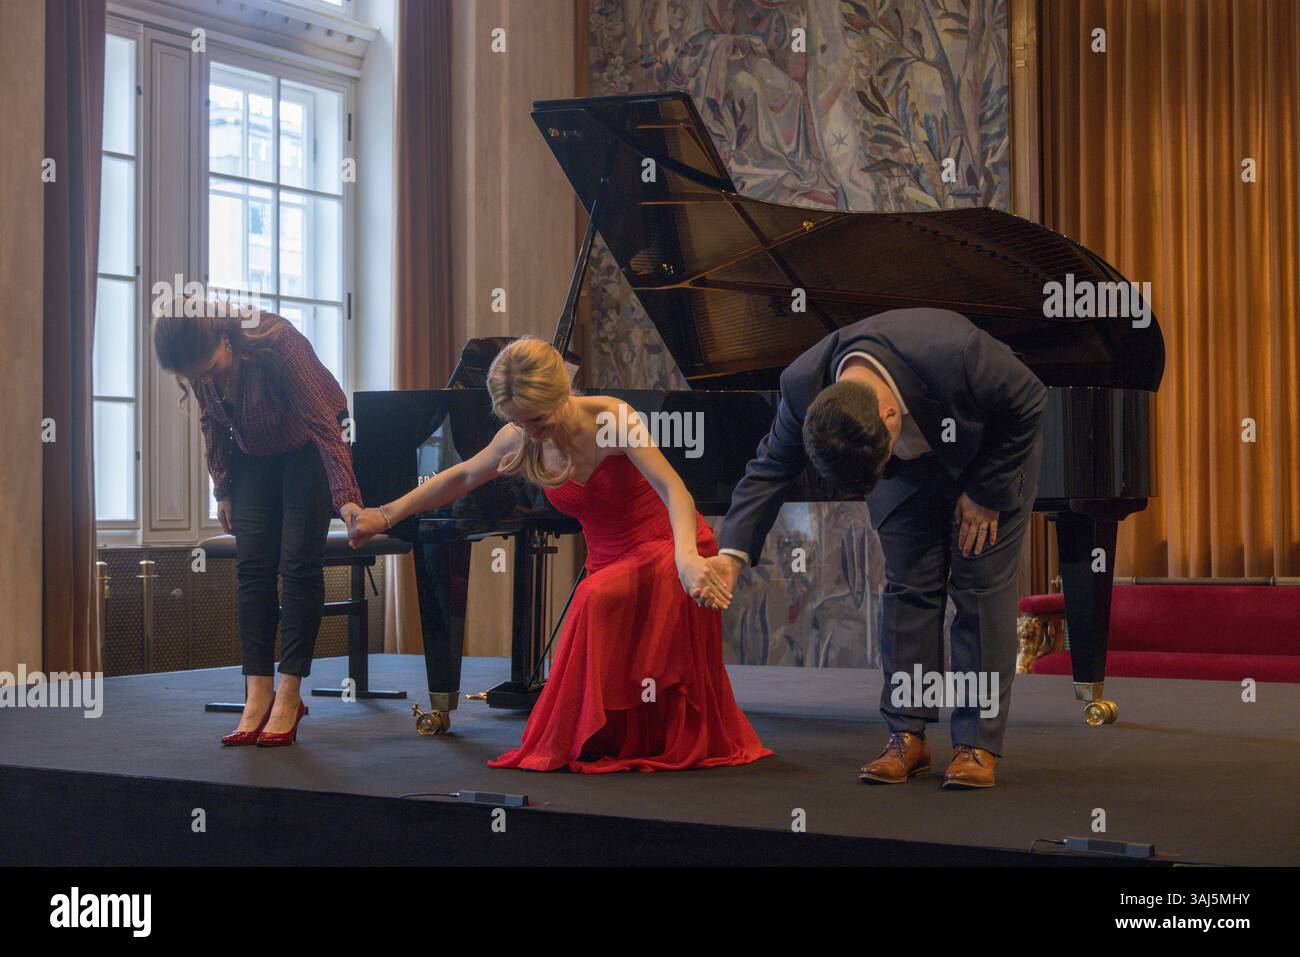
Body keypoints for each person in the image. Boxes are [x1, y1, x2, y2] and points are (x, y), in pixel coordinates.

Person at [347, 337, 772, 772]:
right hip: (610, 558)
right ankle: (615, 738)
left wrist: (686, 558)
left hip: (668, 545)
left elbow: (674, 491)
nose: (531, 431)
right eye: (519, 422)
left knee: (591, 598)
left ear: (562, 394)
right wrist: (385, 514)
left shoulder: (612, 418)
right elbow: (462, 476)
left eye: (537, 419)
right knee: (597, 595)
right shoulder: (521, 435)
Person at [705, 307, 1047, 789]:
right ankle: (908, 736)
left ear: (889, 416)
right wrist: (730, 555)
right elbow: (769, 469)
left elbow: (1030, 399)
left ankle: (977, 744)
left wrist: (987, 493)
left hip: (987, 455)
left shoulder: (958, 353)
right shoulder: (805, 385)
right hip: (903, 475)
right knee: (909, 588)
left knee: (978, 590)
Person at [153, 303, 364, 747]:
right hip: (254, 455)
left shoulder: (277, 343)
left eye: (207, 369)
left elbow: (326, 426)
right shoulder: (200, 366)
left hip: (307, 445)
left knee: (299, 563)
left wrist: (345, 497)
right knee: (252, 569)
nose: (204, 380)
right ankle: (257, 695)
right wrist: (223, 488)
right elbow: (212, 423)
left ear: (222, 339)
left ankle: (289, 694)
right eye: (194, 376)